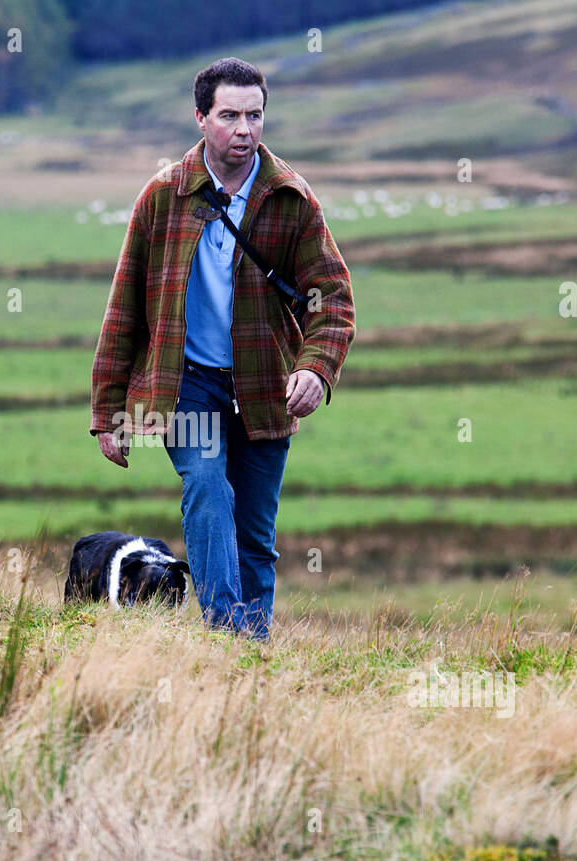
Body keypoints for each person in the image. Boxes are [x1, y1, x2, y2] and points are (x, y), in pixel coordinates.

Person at [89, 56, 355, 641]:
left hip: (265, 389)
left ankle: (250, 656)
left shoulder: (290, 198)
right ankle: (227, 636)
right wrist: (109, 410)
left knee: (255, 536)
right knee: (207, 488)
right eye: (230, 115)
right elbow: (125, 307)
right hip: (184, 385)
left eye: (255, 116)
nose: (244, 129)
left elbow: (332, 299)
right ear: (201, 118)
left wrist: (316, 368)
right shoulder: (162, 197)